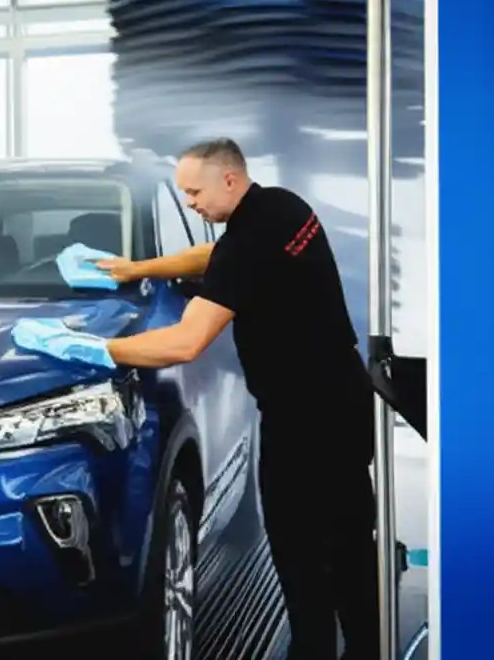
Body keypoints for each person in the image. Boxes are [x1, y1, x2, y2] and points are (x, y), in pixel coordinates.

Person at [29, 138, 379, 659]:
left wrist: (95, 347)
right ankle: (367, 647)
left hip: (303, 420)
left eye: (195, 192)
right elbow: (215, 254)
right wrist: (137, 269)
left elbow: (185, 340)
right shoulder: (282, 208)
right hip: (344, 397)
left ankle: (314, 651)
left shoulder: (248, 241)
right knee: (350, 537)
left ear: (230, 180)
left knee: (300, 549)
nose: (191, 203)